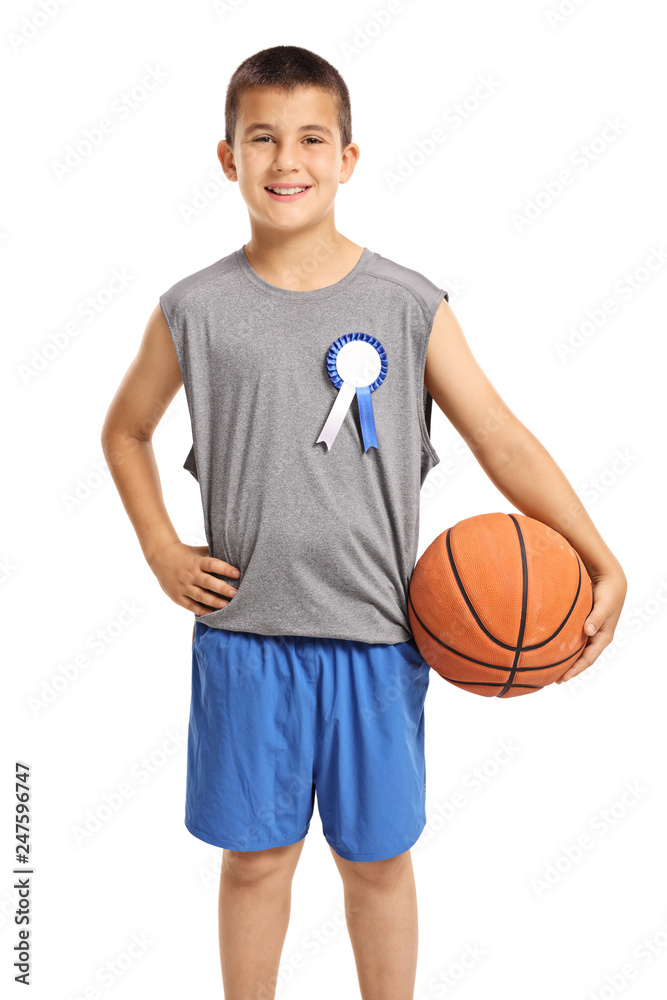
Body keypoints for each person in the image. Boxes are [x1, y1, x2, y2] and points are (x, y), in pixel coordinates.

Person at [100, 44, 627, 1000]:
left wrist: (599, 557)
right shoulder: (194, 308)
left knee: (377, 865)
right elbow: (126, 430)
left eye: (310, 138)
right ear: (227, 158)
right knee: (256, 863)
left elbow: (499, 436)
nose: (285, 159)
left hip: (380, 642)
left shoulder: (405, 303)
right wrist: (159, 546)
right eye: (261, 139)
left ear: (348, 158)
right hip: (246, 638)